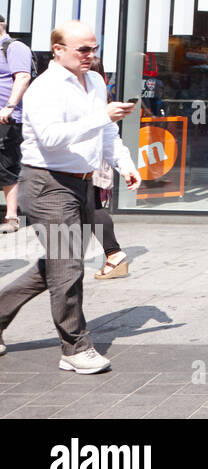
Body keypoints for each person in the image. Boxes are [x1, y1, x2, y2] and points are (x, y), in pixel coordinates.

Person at [0, 20, 140, 374]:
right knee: (69, 267)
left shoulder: (93, 80)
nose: (91, 56)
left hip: (80, 183)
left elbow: (106, 132)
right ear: (58, 50)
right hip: (47, 185)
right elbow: (50, 138)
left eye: (94, 48)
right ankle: (75, 347)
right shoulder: (43, 89)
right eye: (83, 49)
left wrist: (124, 164)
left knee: (57, 264)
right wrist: (100, 116)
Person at [87, 58, 129, 280]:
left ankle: (114, 254)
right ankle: (113, 254)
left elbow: (110, 136)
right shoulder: (102, 96)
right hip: (95, 161)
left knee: (92, 207)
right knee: (90, 207)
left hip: (91, 162)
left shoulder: (94, 98)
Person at [0, 15, 33, 233]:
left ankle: (12, 216)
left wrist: (9, 107)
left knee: (6, 165)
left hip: (7, 118)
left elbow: (22, 77)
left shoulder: (14, 47)